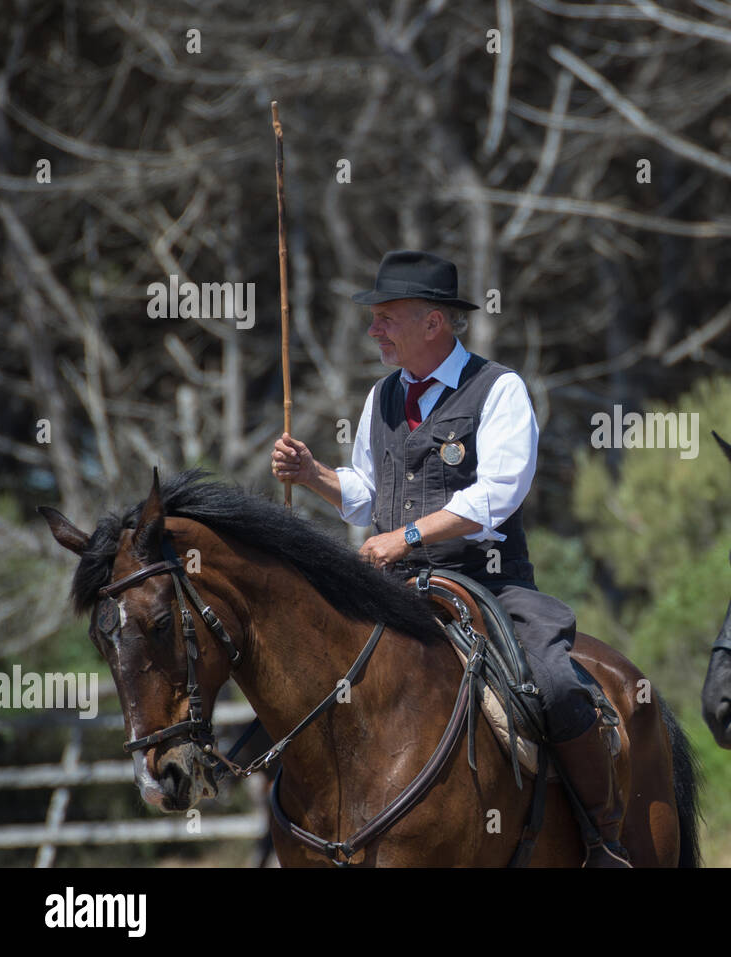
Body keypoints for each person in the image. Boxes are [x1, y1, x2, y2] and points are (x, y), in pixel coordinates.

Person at [270, 249, 630, 866]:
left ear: (433, 323)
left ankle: (602, 836)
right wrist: (314, 476)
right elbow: (365, 497)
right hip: (392, 585)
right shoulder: (381, 397)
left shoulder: (500, 391)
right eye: (374, 317)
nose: (373, 329)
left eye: (386, 316)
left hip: (487, 583)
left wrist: (406, 537)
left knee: (552, 682)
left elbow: (497, 493)